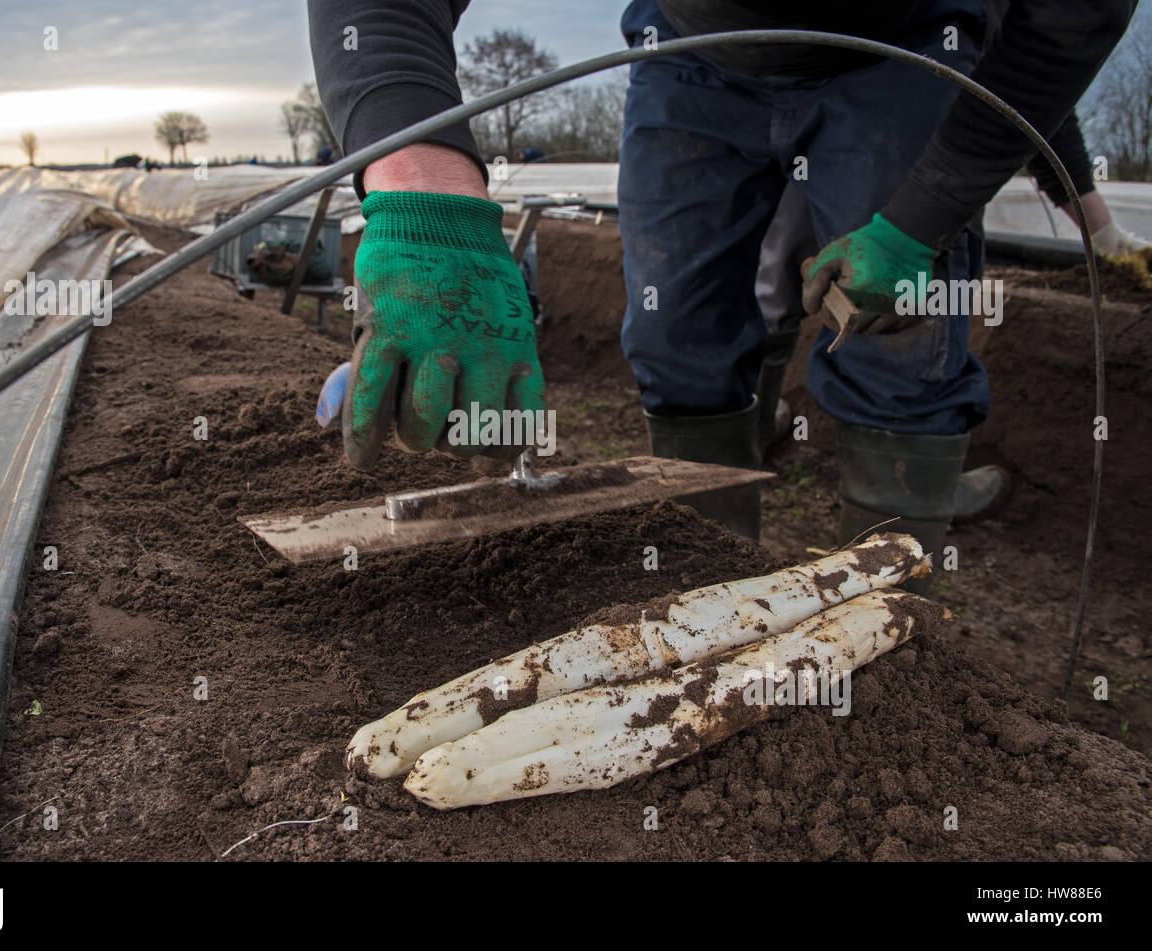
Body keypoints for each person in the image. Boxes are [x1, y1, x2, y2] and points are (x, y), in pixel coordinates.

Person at [305, 0, 1132, 574]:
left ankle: (886, 625)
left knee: (902, 349)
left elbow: (1068, 19)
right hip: (689, 56)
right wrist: (422, 182)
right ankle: (708, 588)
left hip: (905, 48)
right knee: (679, 335)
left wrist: (926, 214)